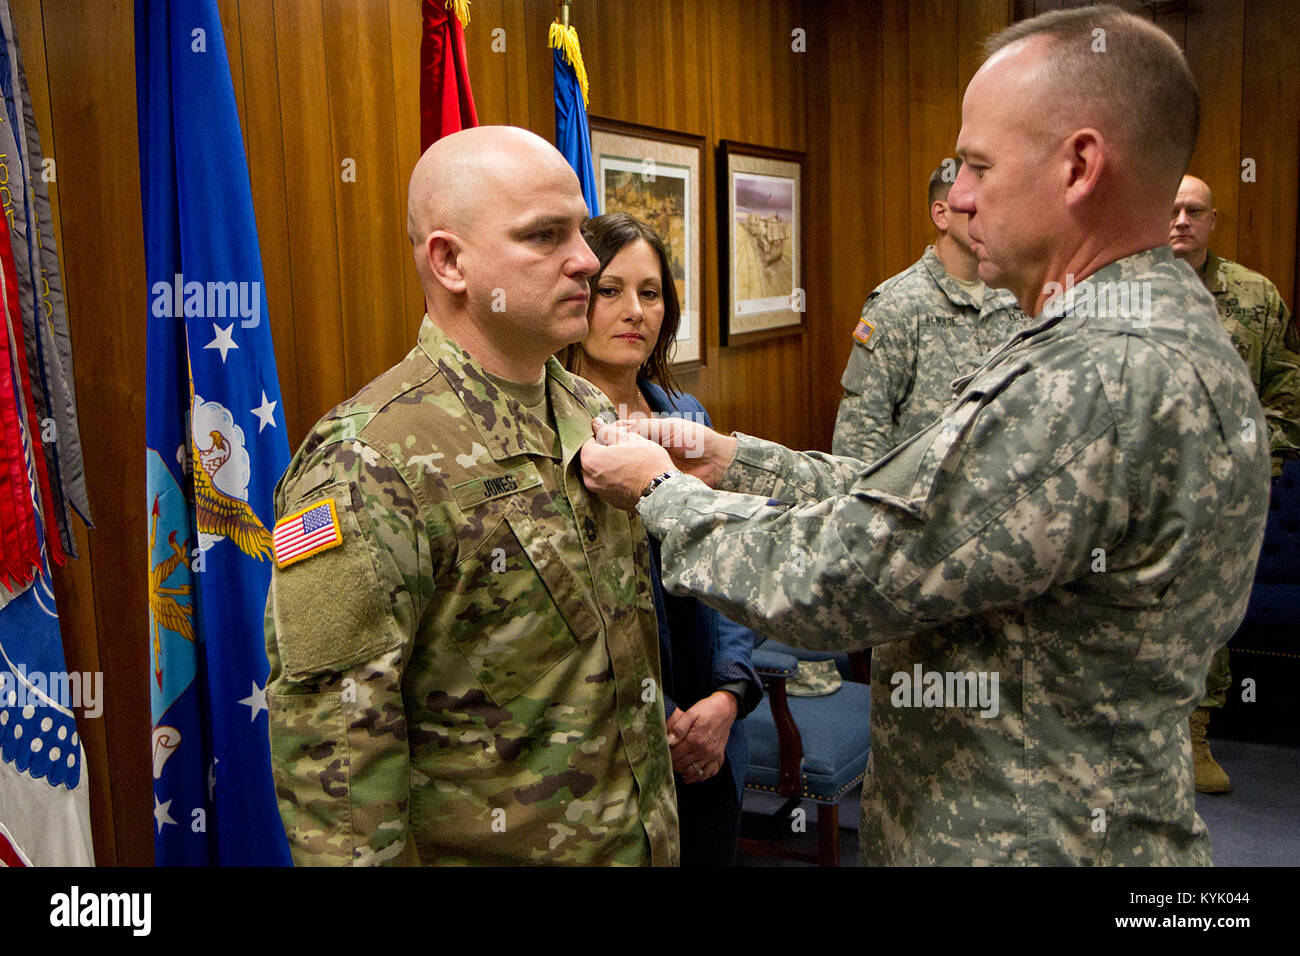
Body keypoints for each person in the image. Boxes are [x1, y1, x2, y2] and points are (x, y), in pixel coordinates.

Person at [579, 4, 1271, 865]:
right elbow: (912, 498)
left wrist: (660, 493)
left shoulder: (1097, 374)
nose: (961, 197)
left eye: (978, 163)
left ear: (1080, 166)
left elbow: (846, 576)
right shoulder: (1140, 332)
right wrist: (732, 460)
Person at [263, 126, 678, 866]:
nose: (585, 260)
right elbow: (340, 775)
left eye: (580, 232)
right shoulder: (364, 464)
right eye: (546, 236)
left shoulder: (588, 407)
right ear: (451, 262)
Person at [560, 212, 762, 866]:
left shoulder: (687, 421)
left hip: (713, 732)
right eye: (611, 289)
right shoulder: (552, 435)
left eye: (650, 294)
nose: (633, 311)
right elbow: (573, 610)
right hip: (613, 744)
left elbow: (730, 564)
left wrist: (727, 696)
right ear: (578, 296)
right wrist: (666, 715)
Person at [1169, 173, 1300, 794]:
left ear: (1213, 219)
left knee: (1208, 612)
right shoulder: (1115, 291)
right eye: (1170, 208)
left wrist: (1245, 460)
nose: (1181, 220)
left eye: (1194, 209)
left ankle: (1196, 731)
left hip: (1223, 492)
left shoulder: (1255, 296)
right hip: (1138, 490)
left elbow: (1288, 394)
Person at [833, 158, 1026, 463]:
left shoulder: (1012, 295)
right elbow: (860, 439)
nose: (988, 219)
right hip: (921, 500)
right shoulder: (899, 304)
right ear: (941, 215)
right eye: (974, 208)